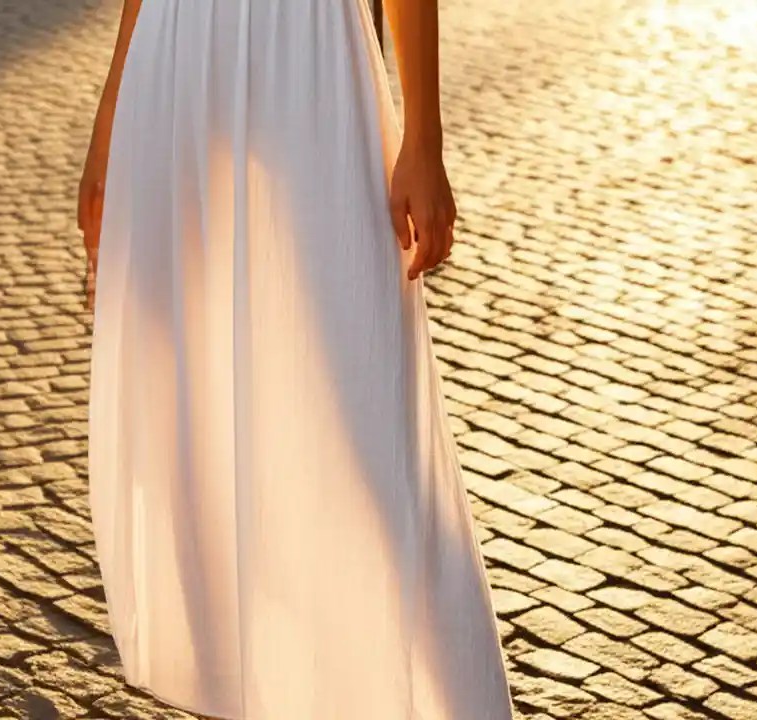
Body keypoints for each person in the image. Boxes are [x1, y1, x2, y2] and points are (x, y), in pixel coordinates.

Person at [78, 0, 517, 717]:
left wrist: (423, 142)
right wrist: (108, 130)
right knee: (182, 404)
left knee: (367, 405)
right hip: (173, 55)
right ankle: (253, 689)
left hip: (311, 57)